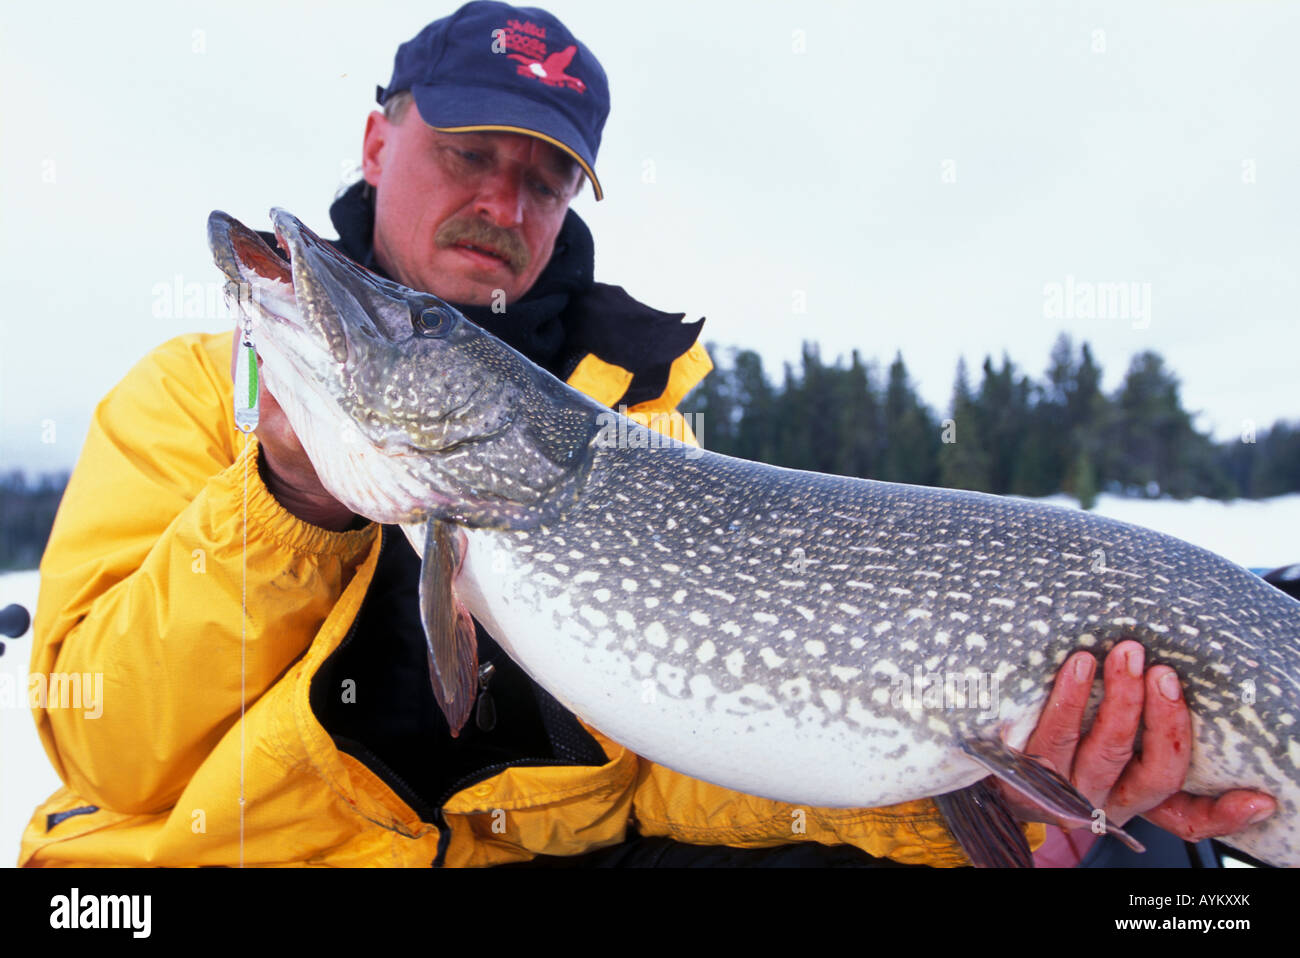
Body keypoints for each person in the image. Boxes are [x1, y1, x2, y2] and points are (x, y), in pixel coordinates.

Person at [21, 1, 1273, 868]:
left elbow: (693, 755)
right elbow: (110, 747)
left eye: (547, 177)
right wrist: (290, 494)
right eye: (467, 150)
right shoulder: (196, 395)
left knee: (1156, 873)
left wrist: (978, 797)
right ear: (376, 139)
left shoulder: (639, 439)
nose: (502, 200)